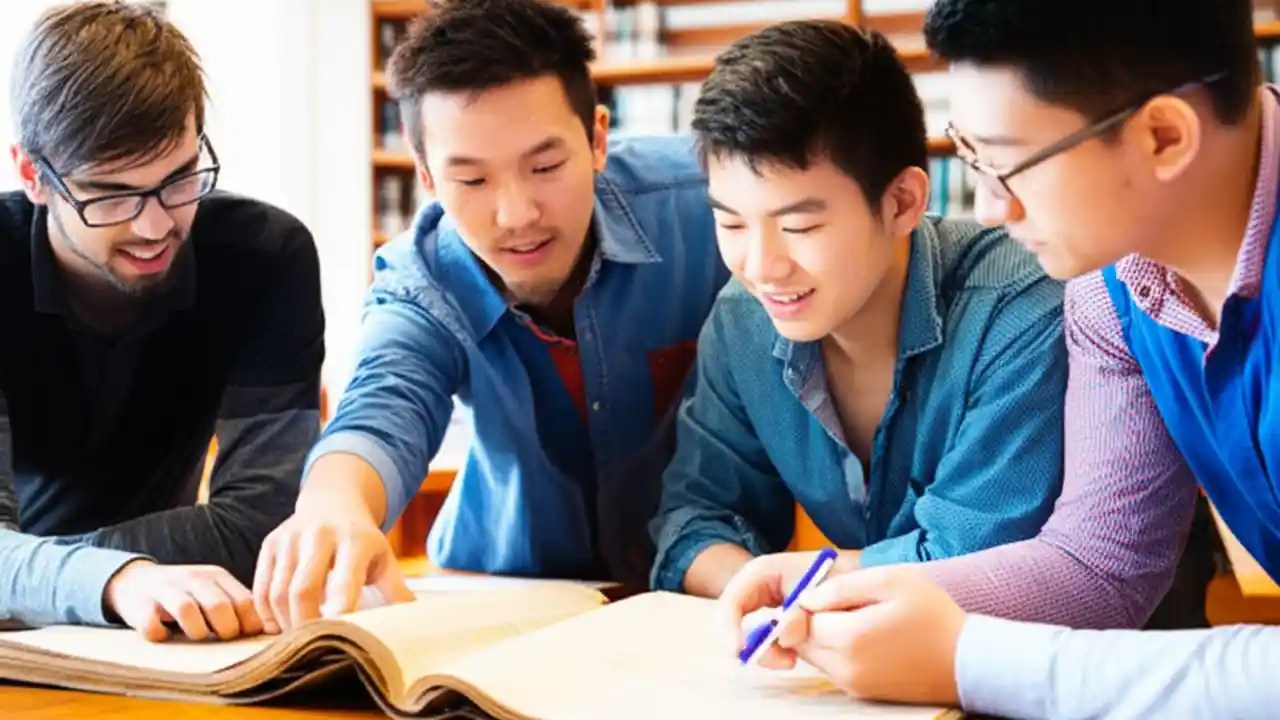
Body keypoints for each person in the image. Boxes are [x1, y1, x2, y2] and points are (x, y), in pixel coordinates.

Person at [716, 0, 1280, 717]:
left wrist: (968, 661)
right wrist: (841, 589)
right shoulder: (1111, 286)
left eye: (1010, 166)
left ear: (1165, 136)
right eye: (970, 155)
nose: (987, 207)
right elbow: (1102, 563)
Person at [254, 0, 728, 632]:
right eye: (471, 182)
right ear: (425, 176)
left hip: (706, 597)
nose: (517, 215)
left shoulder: (715, 209)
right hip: (504, 598)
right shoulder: (421, 277)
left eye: (546, 166)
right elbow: (382, 403)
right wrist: (332, 505)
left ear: (597, 138)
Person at [648, 20, 1066, 598]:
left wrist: (789, 589)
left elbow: (969, 565)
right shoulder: (744, 317)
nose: (761, 265)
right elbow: (696, 519)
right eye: (731, 222)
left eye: (800, 225)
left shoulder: (1019, 312)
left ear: (901, 203)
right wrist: (756, 592)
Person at [0, 1, 325, 643]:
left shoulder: (265, 258)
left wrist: (36, 571)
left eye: (180, 180)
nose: (155, 227)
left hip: (169, 620)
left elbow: (263, 521)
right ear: (34, 175)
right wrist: (112, 579)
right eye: (111, 194)